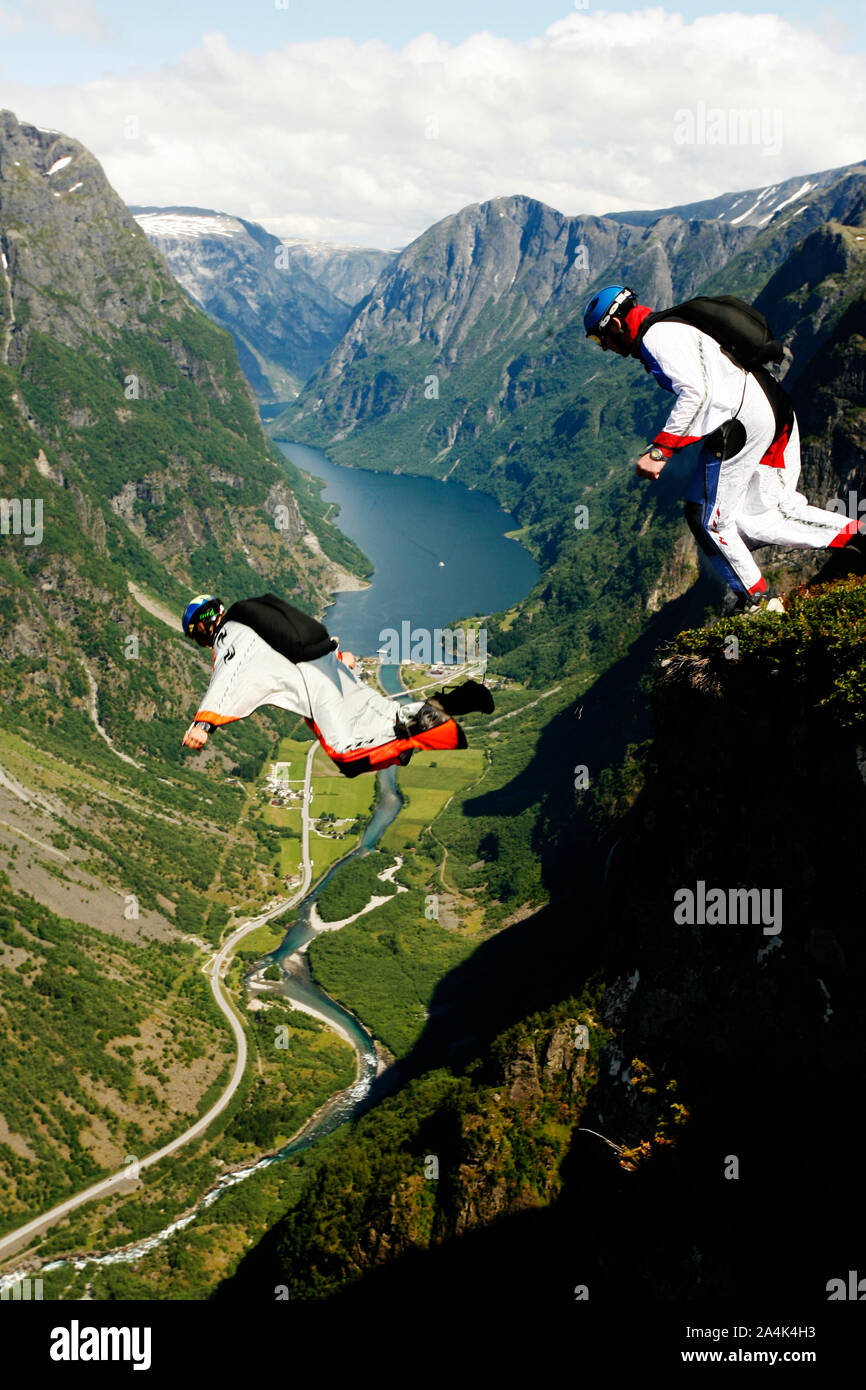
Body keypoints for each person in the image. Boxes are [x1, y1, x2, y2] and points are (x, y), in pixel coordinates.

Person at [583, 285, 864, 609]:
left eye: (598, 338)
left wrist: (660, 451)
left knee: (708, 517)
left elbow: (697, 394)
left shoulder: (655, 338)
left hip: (741, 423)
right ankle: (856, 534)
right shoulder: (674, 326)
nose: (605, 348)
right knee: (767, 511)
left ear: (615, 325)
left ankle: (754, 600)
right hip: (773, 408)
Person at [180, 593, 494, 776]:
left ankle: (418, 731)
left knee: (348, 756)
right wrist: (339, 657)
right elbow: (286, 641)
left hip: (315, 682)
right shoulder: (253, 612)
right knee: (384, 713)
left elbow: (230, 674)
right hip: (329, 664)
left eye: (196, 635)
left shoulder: (229, 635)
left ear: (201, 628)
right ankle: (457, 700)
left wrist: (204, 724)